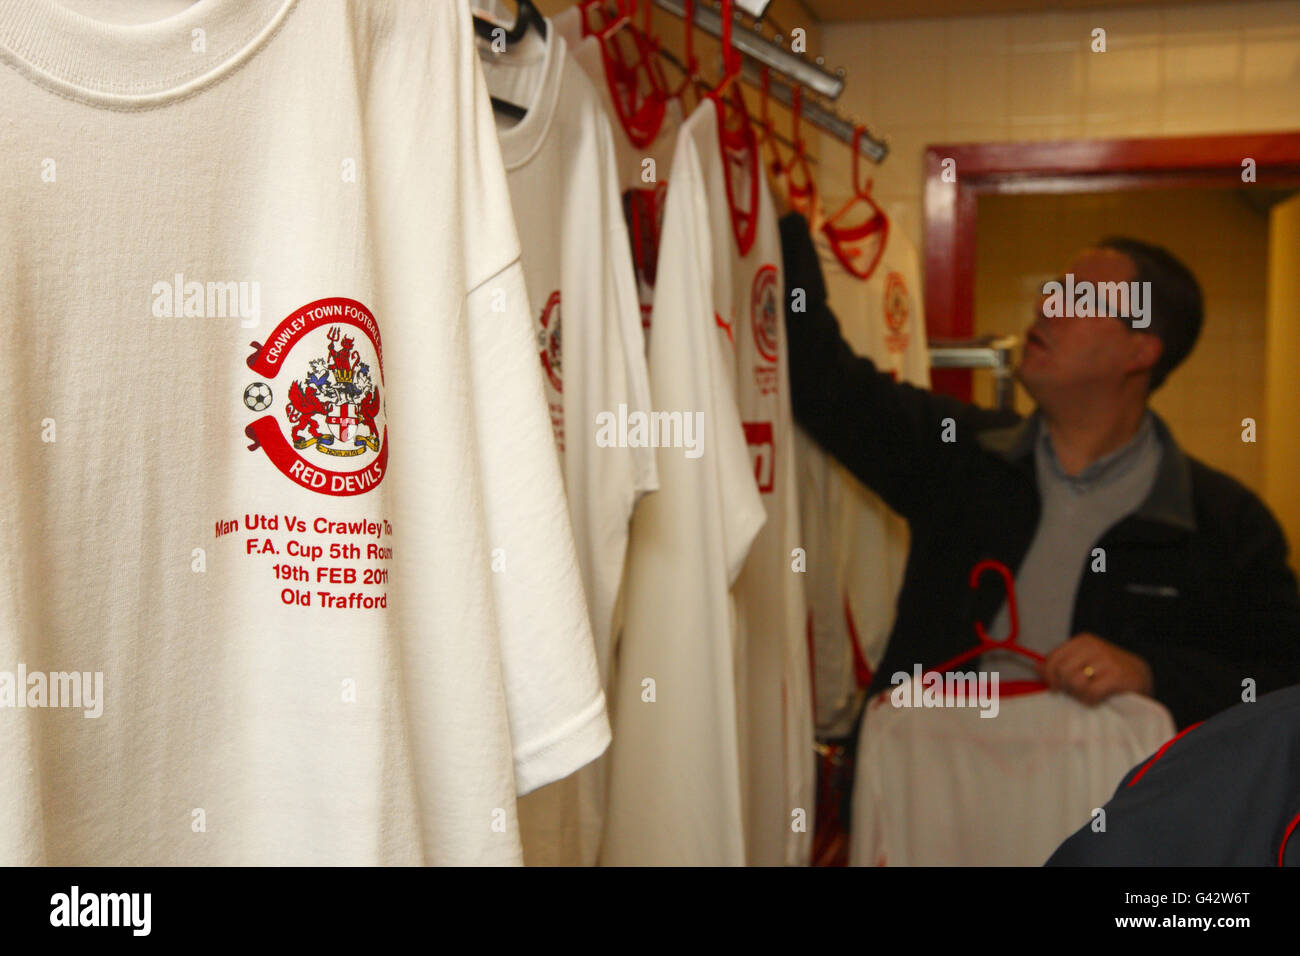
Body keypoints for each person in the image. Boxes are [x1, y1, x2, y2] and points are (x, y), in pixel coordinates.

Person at [778, 210, 1300, 730]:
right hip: (934, 796)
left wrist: (1150, 674)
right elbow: (825, 383)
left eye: (1079, 299)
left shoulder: (1223, 526)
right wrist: (782, 224)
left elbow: (1282, 684)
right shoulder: (962, 456)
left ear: (1140, 350)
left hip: (1108, 809)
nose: (1046, 307)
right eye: (1054, 290)